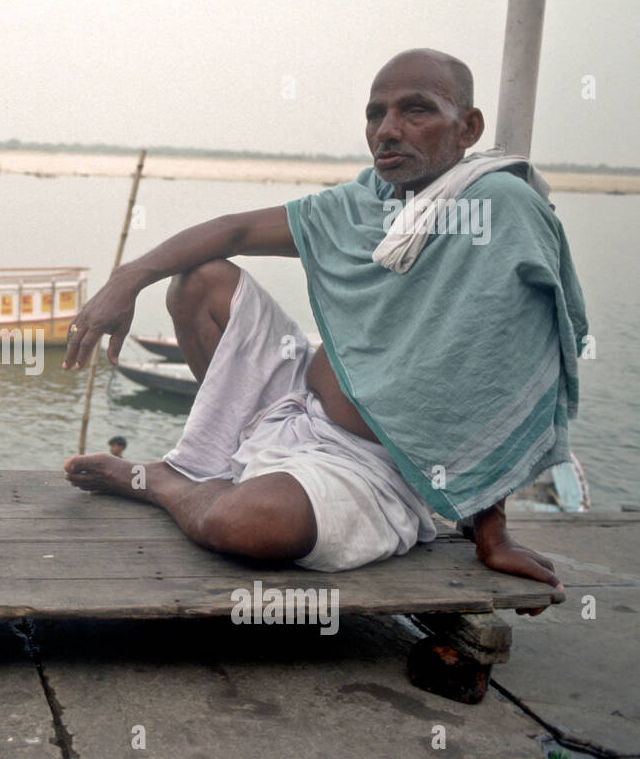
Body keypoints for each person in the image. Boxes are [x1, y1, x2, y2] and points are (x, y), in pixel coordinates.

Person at [62, 49, 586, 607]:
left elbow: (504, 364)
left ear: (469, 128)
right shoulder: (366, 201)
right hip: (294, 401)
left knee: (245, 525)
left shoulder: (498, 209)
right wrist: (128, 279)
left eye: (416, 111)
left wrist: (491, 531)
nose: (388, 130)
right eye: (375, 114)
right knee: (197, 283)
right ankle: (230, 457)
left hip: (375, 464)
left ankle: (166, 483)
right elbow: (235, 230)